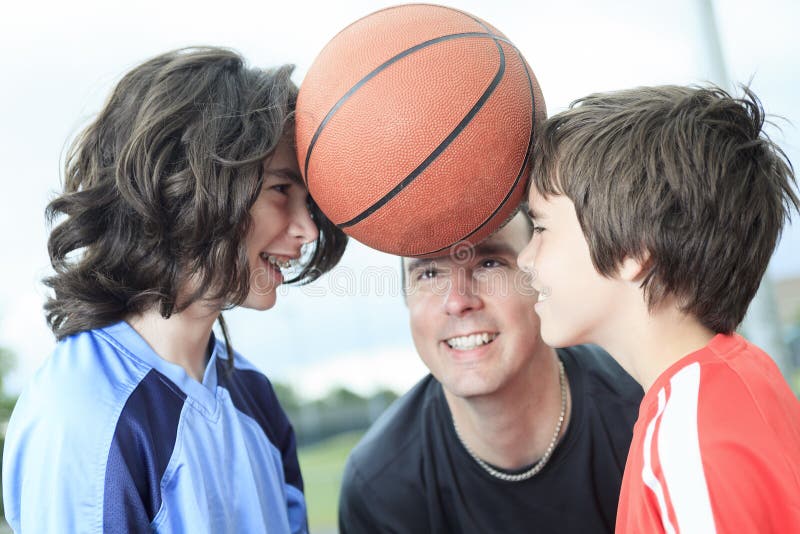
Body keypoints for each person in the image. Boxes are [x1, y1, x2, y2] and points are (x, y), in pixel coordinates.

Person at [2, 47, 347, 533]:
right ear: (189, 186)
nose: (308, 231)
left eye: (308, 203)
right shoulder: (82, 416)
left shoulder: (252, 393)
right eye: (280, 191)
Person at [517, 85, 800, 533]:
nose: (524, 258)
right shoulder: (742, 375)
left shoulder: (684, 441)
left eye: (541, 227)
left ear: (634, 252)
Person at [339, 211, 643, 533]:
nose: (457, 302)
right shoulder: (380, 487)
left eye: (489, 264)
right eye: (429, 274)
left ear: (539, 278)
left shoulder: (643, 409)